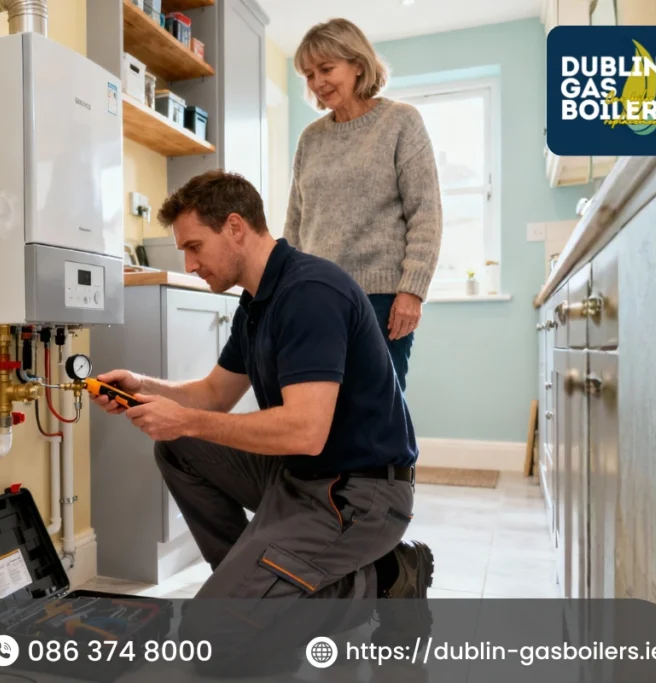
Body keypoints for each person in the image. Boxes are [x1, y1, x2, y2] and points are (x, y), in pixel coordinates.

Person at [90, 169, 433, 608]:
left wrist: (187, 422)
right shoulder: (256, 301)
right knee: (178, 448)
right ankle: (253, 585)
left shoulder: (309, 292)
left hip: (360, 491)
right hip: (303, 474)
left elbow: (304, 432)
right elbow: (215, 393)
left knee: (213, 637)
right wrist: (141, 386)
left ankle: (389, 579)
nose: (189, 266)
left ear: (235, 227)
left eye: (194, 247)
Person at [284, 17, 443, 392]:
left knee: (377, 411)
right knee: (320, 408)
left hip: (382, 300)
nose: (318, 82)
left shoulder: (401, 121)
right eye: (308, 74)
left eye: (326, 69)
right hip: (316, 296)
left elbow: (426, 213)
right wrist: (284, 291)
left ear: (357, 64)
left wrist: (412, 291)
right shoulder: (310, 138)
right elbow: (295, 222)